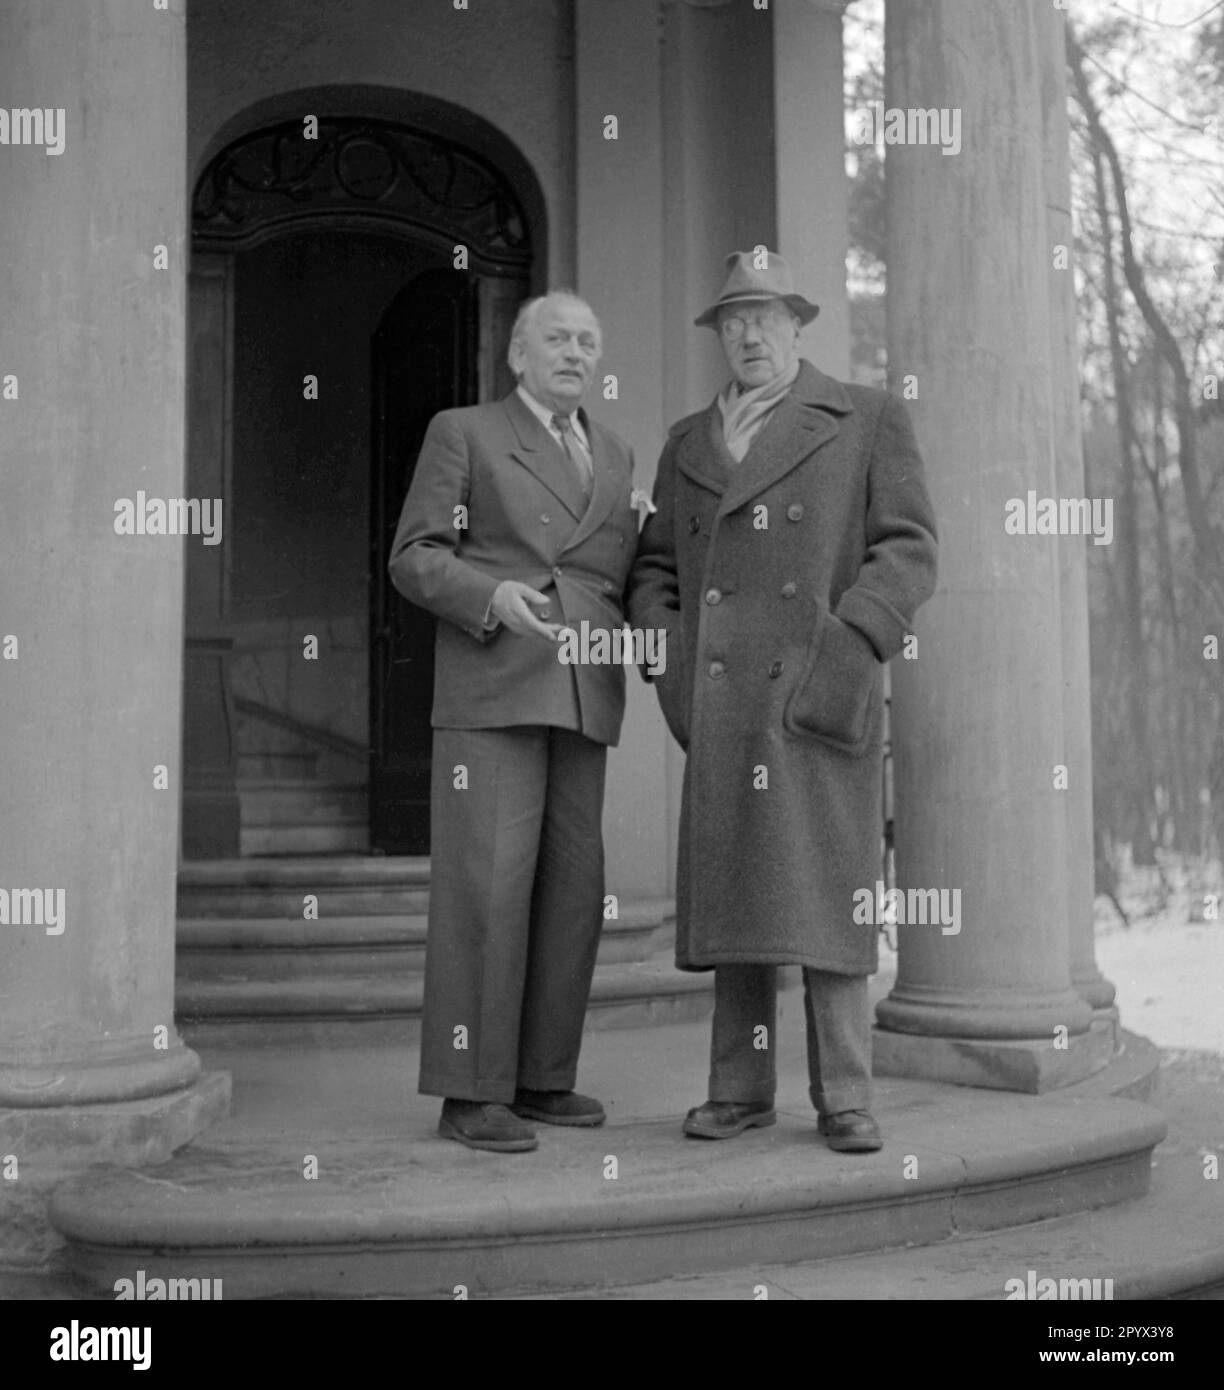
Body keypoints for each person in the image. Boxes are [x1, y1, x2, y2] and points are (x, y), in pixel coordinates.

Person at [628, 250, 938, 1152]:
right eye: (733, 321)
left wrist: (849, 648)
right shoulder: (688, 441)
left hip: (820, 696)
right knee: (738, 902)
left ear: (798, 326)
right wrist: (671, 659)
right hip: (723, 703)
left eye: (766, 317)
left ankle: (847, 1095)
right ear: (719, 337)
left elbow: (910, 548)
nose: (750, 334)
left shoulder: (865, 416)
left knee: (827, 898)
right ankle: (738, 1090)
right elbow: (652, 568)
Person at [388, 290, 640, 1153]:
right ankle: (470, 1089)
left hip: (584, 689)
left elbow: (620, 574)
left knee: (573, 891)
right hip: (493, 684)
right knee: (485, 888)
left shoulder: (614, 451)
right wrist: (489, 595)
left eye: (589, 340)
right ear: (518, 356)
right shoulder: (464, 432)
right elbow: (415, 555)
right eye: (559, 338)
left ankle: (540, 1078)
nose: (576, 352)